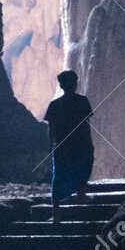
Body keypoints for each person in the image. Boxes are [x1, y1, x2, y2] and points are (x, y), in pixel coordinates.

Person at [42, 69, 94, 224]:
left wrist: (51, 145)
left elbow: (51, 128)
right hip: (79, 144)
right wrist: (89, 143)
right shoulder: (82, 101)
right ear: (73, 84)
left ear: (61, 85)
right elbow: (86, 125)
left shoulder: (54, 105)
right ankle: (80, 193)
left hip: (61, 145)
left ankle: (56, 213)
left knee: (58, 177)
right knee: (82, 167)